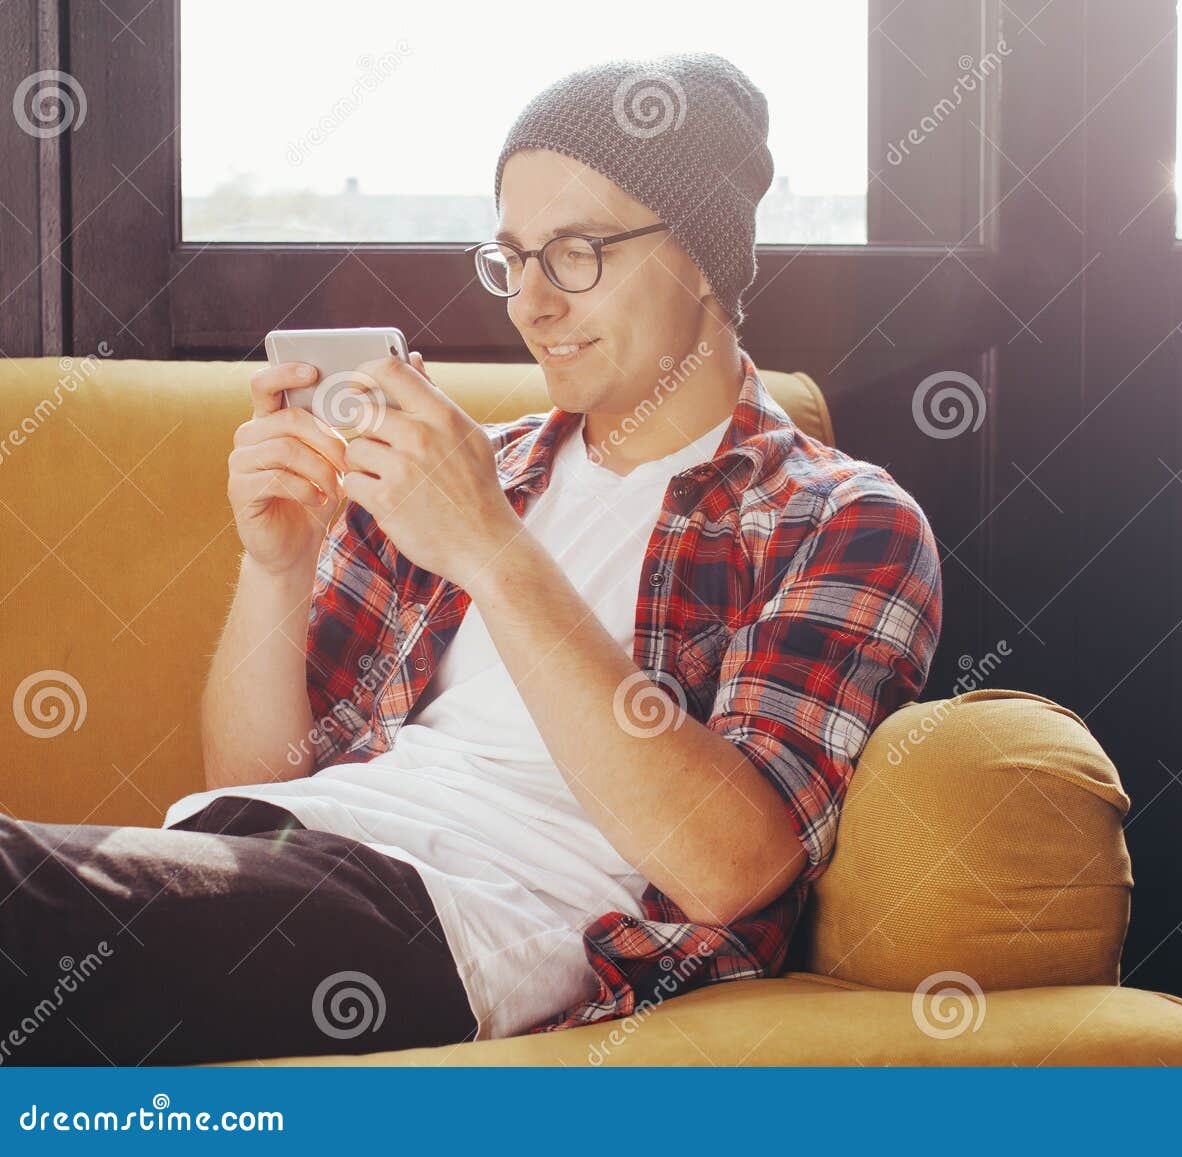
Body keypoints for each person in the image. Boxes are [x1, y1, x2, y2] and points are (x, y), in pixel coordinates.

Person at [0, 52, 942, 1066]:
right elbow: (252, 779)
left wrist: (491, 544)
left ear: (705, 257)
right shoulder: (462, 467)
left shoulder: (839, 518)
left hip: (460, 915)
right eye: (512, 258)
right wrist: (278, 565)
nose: (530, 304)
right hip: (275, 847)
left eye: (574, 253)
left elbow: (731, 867)